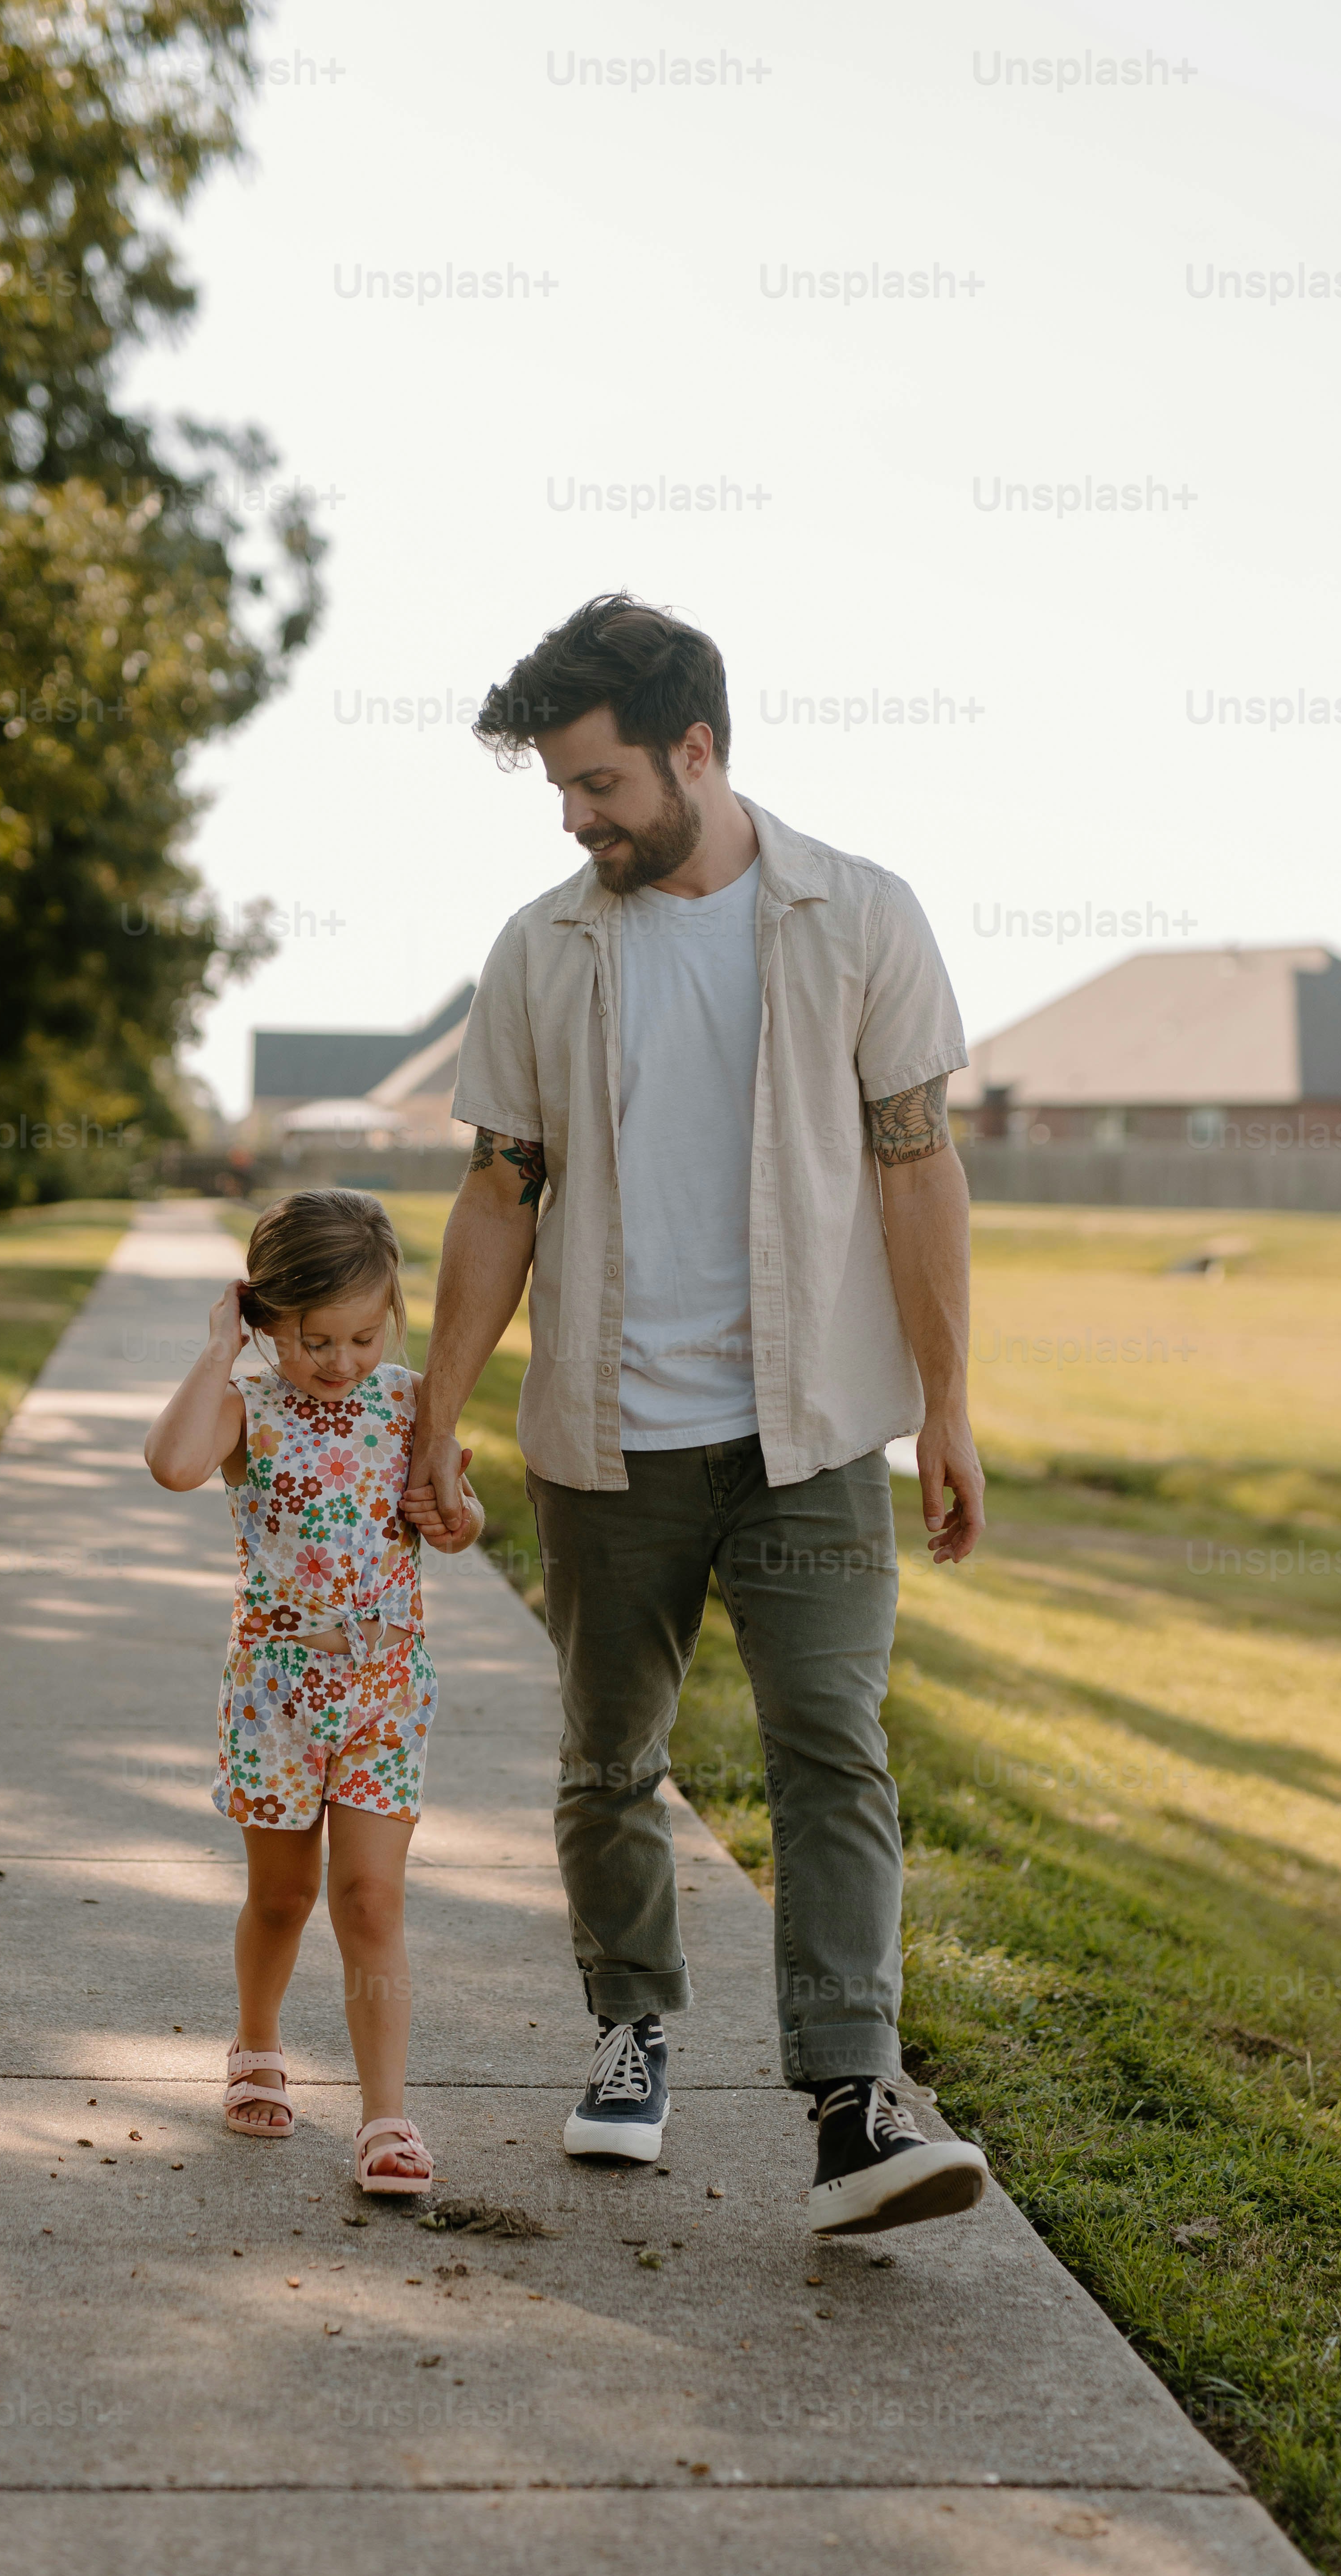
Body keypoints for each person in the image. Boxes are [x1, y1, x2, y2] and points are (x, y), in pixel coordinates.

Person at [406, 593, 990, 2238]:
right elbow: (498, 1186)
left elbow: (915, 1165)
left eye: (596, 784)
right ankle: (629, 2035)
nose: (575, 815)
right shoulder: (542, 947)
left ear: (694, 748)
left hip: (810, 1434)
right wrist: (435, 1412)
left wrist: (945, 1405)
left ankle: (852, 2101)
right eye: (558, 793)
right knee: (609, 1763)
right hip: (609, 1434)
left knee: (833, 1753)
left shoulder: (856, 914)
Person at [145, 1190, 484, 2196]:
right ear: (263, 1319)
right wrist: (220, 1348)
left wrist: (453, 1513)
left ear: (393, 1323)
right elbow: (170, 1465)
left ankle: (386, 2119)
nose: (339, 1362)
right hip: (276, 1694)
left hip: (386, 1685)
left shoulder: (413, 1400)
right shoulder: (249, 1408)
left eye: (362, 1337)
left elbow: (463, 1522)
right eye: (313, 1339)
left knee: (371, 1900)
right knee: (285, 1896)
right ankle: (256, 2045)